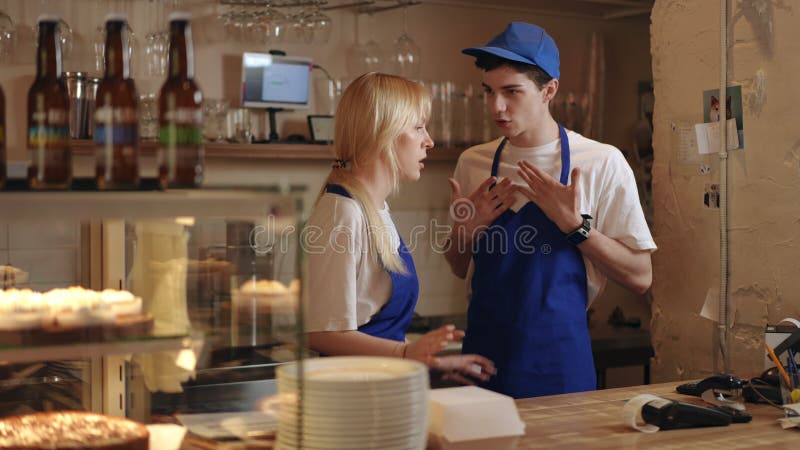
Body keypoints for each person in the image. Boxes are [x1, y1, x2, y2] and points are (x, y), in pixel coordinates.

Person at [445, 22, 657, 398]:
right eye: (489, 91)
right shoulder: (473, 162)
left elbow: (641, 277)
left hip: (559, 367)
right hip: (480, 362)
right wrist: (465, 234)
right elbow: (459, 265)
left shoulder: (602, 162)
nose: (496, 107)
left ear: (549, 90)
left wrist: (575, 226)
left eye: (512, 92)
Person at [304, 72, 495, 385]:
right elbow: (321, 332)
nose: (429, 141)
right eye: (418, 127)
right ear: (384, 132)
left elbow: (379, 331)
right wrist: (406, 354)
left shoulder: (374, 208)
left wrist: (430, 363)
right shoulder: (344, 213)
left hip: (382, 388)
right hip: (351, 394)